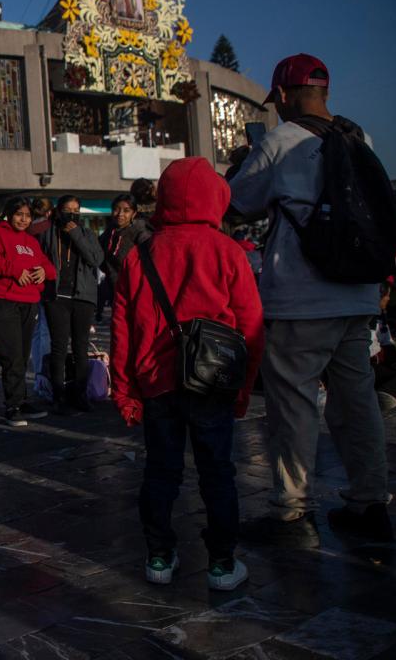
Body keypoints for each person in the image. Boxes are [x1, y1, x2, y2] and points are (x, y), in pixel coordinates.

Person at [229, 53, 392, 546]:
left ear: (282, 94)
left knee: (295, 404)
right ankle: (369, 503)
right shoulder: (358, 137)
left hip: (302, 296)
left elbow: (237, 204)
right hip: (357, 293)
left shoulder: (279, 141)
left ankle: (292, 513)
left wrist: (243, 164)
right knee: (356, 400)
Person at [111, 157, 265, 591]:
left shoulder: (140, 253)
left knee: (161, 472)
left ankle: (159, 556)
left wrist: (124, 392)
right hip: (213, 382)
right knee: (217, 472)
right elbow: (251, 326)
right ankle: (221, 563)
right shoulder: (228, 251)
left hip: (157, 381)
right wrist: (243, 390)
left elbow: (122, 329)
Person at [0, 197, 55, 425]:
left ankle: (22, 399)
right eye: (19, 214)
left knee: (22, 354)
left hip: (29, 301)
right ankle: (13, 406)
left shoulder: (31, 241)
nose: (24, 219)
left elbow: (48, 266)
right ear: (9, 214)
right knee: (10, 355)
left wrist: (44, 272)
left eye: (28, 215)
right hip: (5, 299)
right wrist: (13, 270)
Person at [37, 195, 105, 415]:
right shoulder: (48, 233)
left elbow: (95, 259)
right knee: (58, 347)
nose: (72, 213)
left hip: (83, 297)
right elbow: (38, 258)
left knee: (80, 348)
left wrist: (75, 233)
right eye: (68, 209)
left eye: (76, 209)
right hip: (57, 297)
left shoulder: (86, 233)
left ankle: (80, 394)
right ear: (59, 210)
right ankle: (58, 395)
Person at [98, 193, 147, 322]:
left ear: (134, 213)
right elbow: (98, 256)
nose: (120, 214)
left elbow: (150, 260)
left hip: (137, 292)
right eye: (116, 209)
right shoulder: (109, 233)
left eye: (126, 210)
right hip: (115, 290)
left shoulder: (141, 233)